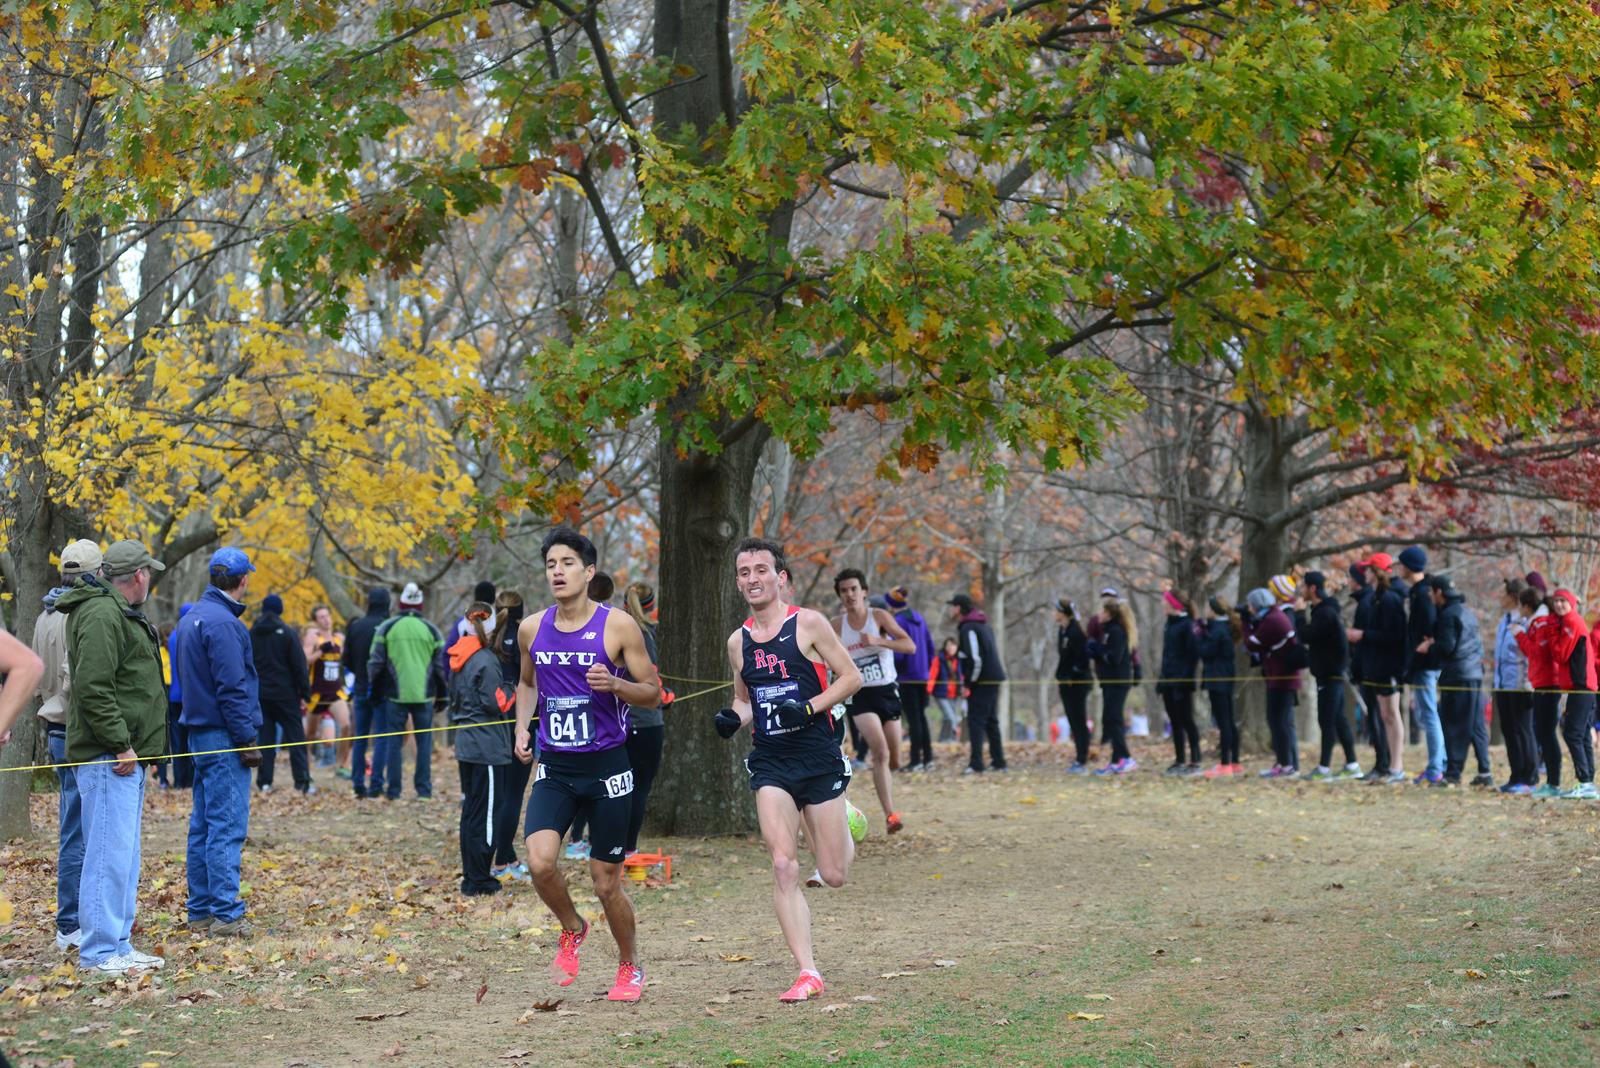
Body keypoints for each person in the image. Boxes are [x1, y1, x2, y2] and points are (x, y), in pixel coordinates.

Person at [513, 528, 662, 1002]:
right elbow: (527, 683)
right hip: (556, 767)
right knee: (539, 863)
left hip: (607, 768)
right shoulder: (531, 628)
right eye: (551, 564)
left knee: (606, 883)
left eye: (567, 563)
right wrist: (522, 728)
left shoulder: (618, 626)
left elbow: (653, 693)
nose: (557, 572)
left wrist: (616, 685)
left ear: (588, 571)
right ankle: (572, 927)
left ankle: (629, 964)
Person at [716, 536, 865, 1003]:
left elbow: (851, 677)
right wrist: (732, 718)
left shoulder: (809, 624)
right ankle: (807, 971)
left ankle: (845, 815)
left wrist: (810, 707)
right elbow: (745, 700)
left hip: (818, 757)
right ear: (738, 583)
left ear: (780, 578)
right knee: (783, 864)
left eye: (761, 569)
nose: (753, 578)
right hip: (771, 762)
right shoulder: (738, 642)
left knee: (834, 874)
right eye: (744, 572)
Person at [54, 539, 168, 976]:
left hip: (124, 755)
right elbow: (93, 687)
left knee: (123, 856)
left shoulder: (114, 611)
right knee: (106, 855)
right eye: (148, 572)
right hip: (108, 756)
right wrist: (120, 743)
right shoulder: (102, 614)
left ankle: (118, 943)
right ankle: (100, 952)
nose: (149, 579)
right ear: (138, 575)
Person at [175, 546, 264, 938]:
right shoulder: (225, 624)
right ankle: (226, 914)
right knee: (225, 826)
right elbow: (232, 688)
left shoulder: (192, 618)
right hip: (223, 735)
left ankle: (201, 909)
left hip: (199, 733)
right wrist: (247, 738)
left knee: (203, 826)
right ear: (242, 580)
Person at [30, 539, 101, 952]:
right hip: (74, 728)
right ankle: (72, 921)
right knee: (80, 831)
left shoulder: (46, 613)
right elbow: (74, 676)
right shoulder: (75, 614)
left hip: (56, 728)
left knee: (74, 827)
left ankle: (75, 917)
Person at [833, 569, 913, 831]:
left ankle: (884, 781)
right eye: (844, 591)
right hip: (860, 695)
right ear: (840, 595)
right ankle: (891, 816)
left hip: (887, 691)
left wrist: (878, 640)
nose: (849, 594)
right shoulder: (836, 625)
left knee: (894, 759)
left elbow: (909, 646)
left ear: (864, 591)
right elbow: (823, 654)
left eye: (854, 589)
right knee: (880, 752)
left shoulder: (879, 617)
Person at [449, 601, 516, 895]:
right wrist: (512, 689)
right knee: (487, 815)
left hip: (466, 744)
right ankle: (478, 880)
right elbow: (495, 703)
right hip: (486, 747)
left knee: (471, 812)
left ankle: (472, 876)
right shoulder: (486, 660)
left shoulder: (459, 656)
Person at [369, 582, 445, 800]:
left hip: (395, 695)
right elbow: (440, 667)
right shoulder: (431, 629)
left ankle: (394, 791)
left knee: (394, 743)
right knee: (424, 743)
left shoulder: (387, 627)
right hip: (424, 695)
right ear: (420, 604)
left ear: (401, 603)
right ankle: (424, 791)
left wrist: (374, 691)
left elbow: (375, 663)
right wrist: (443, 694)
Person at [1419, 575, 1486, 787]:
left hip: (1457, 676)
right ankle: (1484, 771)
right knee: (1474, 725)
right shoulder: (1467, 612)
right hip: (1474, 673)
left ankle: (1453, 774)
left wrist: (1431, 646)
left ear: (1439, 592)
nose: (1430, 596)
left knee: (1454, 725)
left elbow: (1447, 647)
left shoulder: (1448, 615)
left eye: (1431, 592)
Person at [1300, 571, 1361, 781]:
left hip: (1331, 674)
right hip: (1329, 673)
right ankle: (1352, 764)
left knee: (1326, 720)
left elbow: (1305, 635)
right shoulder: (1323, 611)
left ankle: (1324, 768)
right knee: (1338, 718)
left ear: (1313, 588)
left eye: (1303, 586)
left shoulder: (1325, 613)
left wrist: (1298, 614)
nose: (1301, 590)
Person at [489, 590, 532, 881]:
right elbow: (531, 682)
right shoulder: (522, 638)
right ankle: (501, 862)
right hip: (519, 724)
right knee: (513, 795)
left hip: (492, 725)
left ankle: (508, 856)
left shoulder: (487, 637)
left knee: (502, 794)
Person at [250, 594, 313, 795]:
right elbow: (299, 665)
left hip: (261, 695)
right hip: (286, 695)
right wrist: (305, 693)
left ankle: (264, 782)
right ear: (280, 610)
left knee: (266, 740)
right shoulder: (287, 633)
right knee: (296, 739)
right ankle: (302, 781)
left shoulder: (252, 633)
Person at [622, 582, 668, 856]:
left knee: (623, 785)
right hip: (644, 721)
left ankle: (616, 845)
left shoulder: (617, 631)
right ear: (651, 606)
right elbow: (648, 678)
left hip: (623, 721)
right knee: (638, 788)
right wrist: (663, 695)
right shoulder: (645, 635)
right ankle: (627, 848)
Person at [1243, 580, 1303, 777]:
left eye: (1250, 605)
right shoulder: (1271, 616)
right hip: (1277, 676)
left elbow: (1252, 643)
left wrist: (1245, 623)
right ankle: (1283, 762)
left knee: (1280, 721)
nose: (1249, 609)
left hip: (1283, 677)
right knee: (1276, 720)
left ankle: (1288, 765)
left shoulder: (1273, 619)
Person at [1359, 554, 1409, 784]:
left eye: (1368, 569)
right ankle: (1390, 765)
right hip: (1378, 665)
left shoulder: (1390, 600)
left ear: (1377, 572)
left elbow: (1394, 635)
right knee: (1385, 714)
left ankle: (1397, 767)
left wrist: (1364, 635)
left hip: (1389, 666)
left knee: (1392, 713)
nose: (1365, 574)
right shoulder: (1377, 598)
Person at [1397, 546, 1444, 785]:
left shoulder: (1423, 595)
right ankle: (1439, 762)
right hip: (1420, 663)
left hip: (1426, 664)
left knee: (1429, 714)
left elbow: (1430, 628)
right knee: (1426, 714)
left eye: (1402, 564)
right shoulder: (1417, 593)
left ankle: (1436, 766)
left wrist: (1424, 646)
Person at [948, 593, 1008, 775]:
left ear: (958, 608)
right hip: (991, 678)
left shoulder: (969, 627)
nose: (951, 610)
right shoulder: (982, 624)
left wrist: (969, 683)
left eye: (952, 606)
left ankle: (976, 763)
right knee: (991, 720)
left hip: (982, 680)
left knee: (976, 720)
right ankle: (999, 761)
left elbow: (976, 659)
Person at [343, 587, 392, 799]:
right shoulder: (388, 626)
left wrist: (360, 674)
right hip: (382, 690)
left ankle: (358, 782)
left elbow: (346, 660)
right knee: (382, 737)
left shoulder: (356, 627)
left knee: (360, 737)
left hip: (361, 687)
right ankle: (376, 784)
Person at [1515, 584, 1564, 796]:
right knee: (1544, 734)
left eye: (1520, 606)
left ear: (1527, 606)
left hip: (1549, 684)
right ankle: (1552, 782)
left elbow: (1537, 653)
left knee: (1547, 734)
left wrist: (1519, 635)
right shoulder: (1536, 622)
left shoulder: (1541, 622)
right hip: (1541, 683)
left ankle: (1554, 783)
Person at [1548, 589, 1597, 799]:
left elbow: (1559, 654)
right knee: (1582, 733)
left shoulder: (1571, 621)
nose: (1559, 605)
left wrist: (1552, 629)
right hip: (1583, 687)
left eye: (1563, 601)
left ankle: (1585, 781)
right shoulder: (1568, 620)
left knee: (1572, 733)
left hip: (1582, 686)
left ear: (1571, 603)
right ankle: (1588, 782)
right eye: (1556, 601)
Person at [886, 586, 937, 772]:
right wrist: (926, 669)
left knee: (914, 720)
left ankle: (916, 761)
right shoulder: (919, 618)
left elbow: (898, 654)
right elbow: (931, 647)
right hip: (923, 676)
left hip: (907, 677)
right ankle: (928, 759)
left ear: (892, 604)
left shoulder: (897, 621)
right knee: (921, 717)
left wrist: (894, 668)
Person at [1494, 579, 1535, 794]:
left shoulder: (1526, 622)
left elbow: (1529, 654)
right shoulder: (1505, 620)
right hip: (1503, 684)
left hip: (1520, 685)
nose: (1501, 598)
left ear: (1513, 597)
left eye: (1504, 594)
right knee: (1509, 730)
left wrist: (1528, 682)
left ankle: (1529, 777)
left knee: (1523, 730)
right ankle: (1516, 775)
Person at [1156, 590, 1202, 776]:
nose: (1162, 604)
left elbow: (1192, 656)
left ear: (1174, 604)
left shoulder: (1188, 625)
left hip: (1182, 683)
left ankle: (1195, 761)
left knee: (1187, 720)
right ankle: (1179, 760)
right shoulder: (1169, 624)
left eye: (1165, 601)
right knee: (1174, 722)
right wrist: (1162, 680)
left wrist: (1183, 680)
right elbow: (1168, 656)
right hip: (1168, 681)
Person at [302, 605, 351, 778]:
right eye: (321, 617)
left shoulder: (339, 638)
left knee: (346, 726)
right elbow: (304, 660)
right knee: (310, 734)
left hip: (335, 692)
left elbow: (348, 659)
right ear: (316, 621)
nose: (326, 619)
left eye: (327, 615)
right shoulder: (313, 637)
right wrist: (321, 651)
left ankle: (341, 765)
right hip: (316, 694)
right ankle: (305, 769)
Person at [1090, 599, 1137, 774]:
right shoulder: (1108, 631)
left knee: (1114, 718)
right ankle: (1116, 760)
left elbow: (1114, 658)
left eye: (1102, 611)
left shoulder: (1116, 631)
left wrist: (1098, 651)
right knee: (1109, 719)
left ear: (1109, 614)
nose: (1099, 615)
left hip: (1118, 682)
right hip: (1109, 681)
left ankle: (1126, 757)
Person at [1198, 597, 1241, 778]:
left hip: (1218, 679)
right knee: (1228, 720)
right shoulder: (1221, 628)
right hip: (1224, 677)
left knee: (1224, 722)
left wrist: (1200, 634)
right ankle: (1235, 762)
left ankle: (1225, 764)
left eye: (1207, 608)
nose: (1205, 610)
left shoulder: (1218, 630)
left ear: (1213, 611)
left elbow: (1205, 652)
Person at [1054, 600, 1092, 772]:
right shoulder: (1062, 631)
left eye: (1056, 610)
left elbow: (1083, 658)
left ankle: (1082, 759)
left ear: (1063, 613)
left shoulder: (1076, 632)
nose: (1054, 613)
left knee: (1079, 720)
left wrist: (1072, 675)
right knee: (1072, 721)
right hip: (1065, 683)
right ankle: (1079, 756)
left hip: (1077, 684)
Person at [927, 637, 965, 743]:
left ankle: (943, 740)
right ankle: (950, 740)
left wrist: (965, 689)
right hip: (941, 693)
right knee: (950, 717)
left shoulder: (959, 660)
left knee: (950, 718)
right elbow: (932, 675)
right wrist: (929, 689)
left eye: (953, 645)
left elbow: (962, 676)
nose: (951, 648)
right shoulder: (939, 659)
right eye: (948, 645)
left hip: (955, 694)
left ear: (957, 647)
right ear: (945, 647)